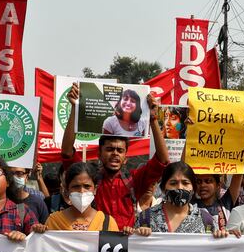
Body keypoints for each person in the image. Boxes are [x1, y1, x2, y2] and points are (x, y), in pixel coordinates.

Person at [61, 82, 169, 229]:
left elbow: (163, 160)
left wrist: (153, 120)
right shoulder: (88, 179)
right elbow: (67, 152)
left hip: (125, 246)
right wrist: (75, 107)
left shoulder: (134, 180)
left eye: (120, 151)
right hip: (93, 245)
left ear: (126, 158)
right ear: (99, 153)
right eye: (110, 149)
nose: (114, 154)